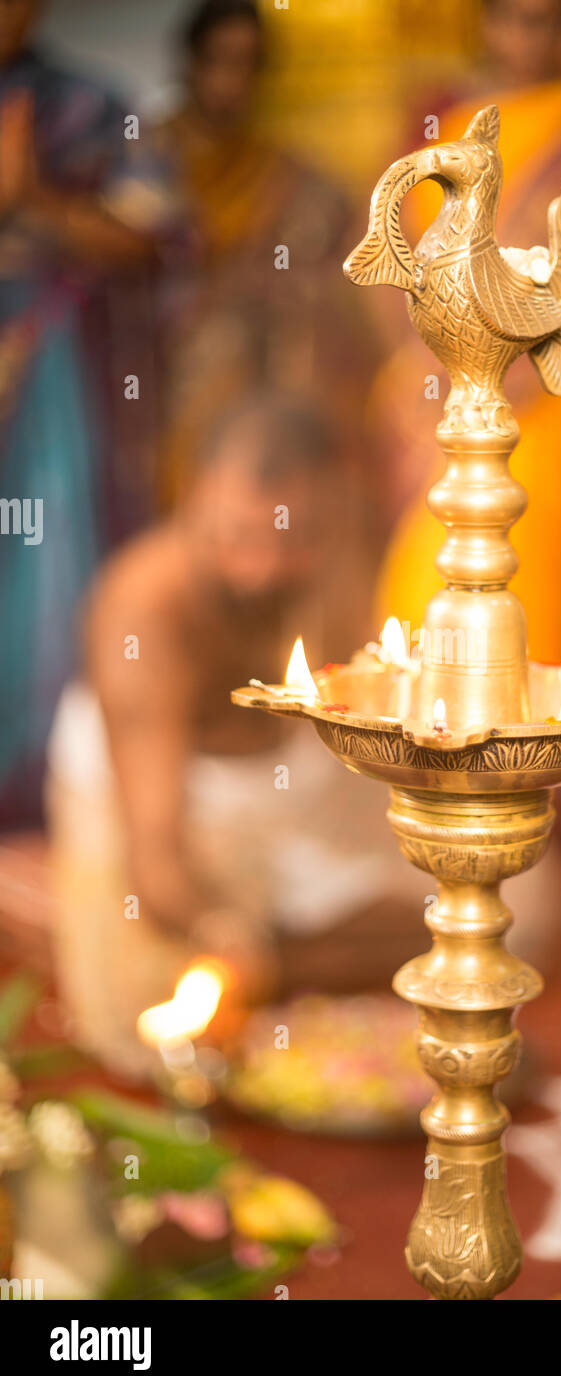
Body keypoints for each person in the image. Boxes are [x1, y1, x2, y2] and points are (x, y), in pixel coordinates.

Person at [46, 395, 427, 1077]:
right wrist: (224, 933)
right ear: (194, 501)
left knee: (499, 903)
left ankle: (279, 969)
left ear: (335, 511)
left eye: (290, 541)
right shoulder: (144, 610)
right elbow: (155, 854)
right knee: (144, 1009)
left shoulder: (346, 562)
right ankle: (277, 968)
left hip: (295, 798)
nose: (259, 570)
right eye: (236, 538)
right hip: (165, 825)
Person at [372, 0, 561, 663]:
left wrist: (488, 385)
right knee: (421, 607)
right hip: (427, 397)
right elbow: (387, 252)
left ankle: (526, 765)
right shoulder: (438, 119)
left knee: (523, 605)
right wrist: (416, 367)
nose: (527, 37)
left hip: (548, 404)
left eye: (546, 20)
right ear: (485, 21)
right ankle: (430, 764)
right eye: (512, 17)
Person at [0, 0, 174, 827]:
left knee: (43, 557)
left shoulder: (89, 105)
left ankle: (37, 795)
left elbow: (151, 236)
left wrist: (33, 198)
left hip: (44, 361)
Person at [154, 0, 377, 511]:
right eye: (220, 60)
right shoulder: (147, 159)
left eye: (248, 64)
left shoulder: (286, 179)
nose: (233, 81)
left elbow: (337, 233)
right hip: (151, 385)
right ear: (189, 64)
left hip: (248, 397)